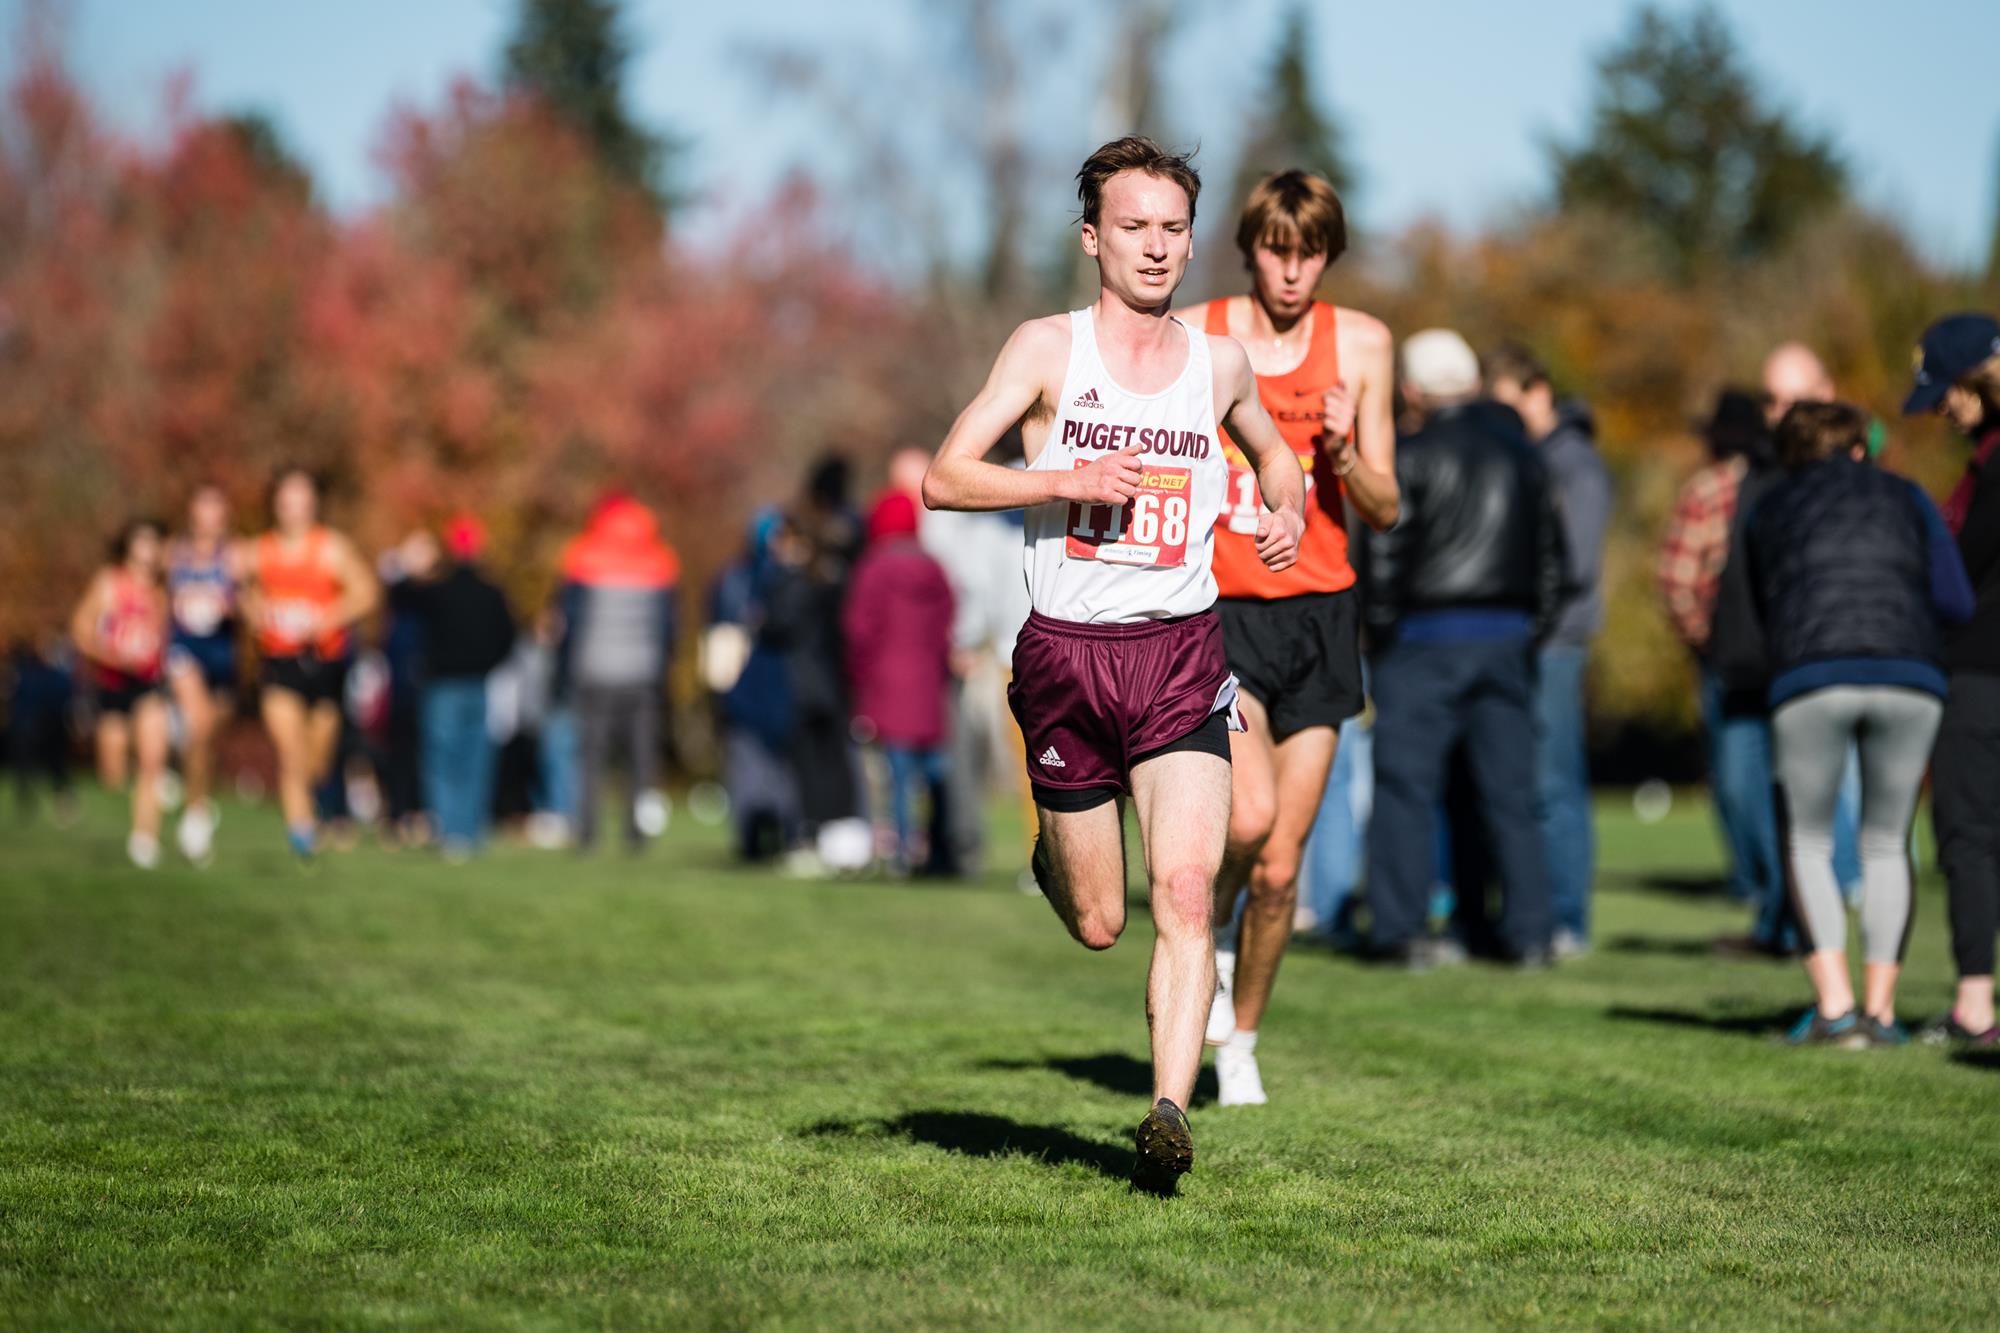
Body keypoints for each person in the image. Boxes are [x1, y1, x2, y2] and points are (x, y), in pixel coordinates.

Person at [921, 136, 1305, 1193]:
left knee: (1184, 889)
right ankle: (1052, 853)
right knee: (1098, 920)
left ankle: (1167, 1114)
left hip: (1180, 649)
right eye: (1131, 226)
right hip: (1066, 658)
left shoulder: (1217, 363)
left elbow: (1272, 452)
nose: (1153, 246)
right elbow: (946, 479)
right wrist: (1065, 473)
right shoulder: (1047, 349)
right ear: (1091, 236)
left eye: (1172, 228)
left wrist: (1281, 504)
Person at [1177, 169, 1398, 1106]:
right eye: (1277, 249)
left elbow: (1386, 509)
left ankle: (1243, 1041)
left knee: (1281, 866)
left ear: (1329, 256)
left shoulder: (1364, 343)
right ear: (1250, 248)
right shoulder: (1200, 330)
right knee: (1249, 816)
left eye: (1310, 253)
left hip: (1322, 614)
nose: (1293, 270)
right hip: (1224, 610)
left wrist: (1345, 454)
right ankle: (1201, 946)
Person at [1746, 401, 1971, 1045]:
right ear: (1859, 447)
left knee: (1809, 842)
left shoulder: (1771, 505)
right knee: (1886, 842)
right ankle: (1882, 1011)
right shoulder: (1908, 495)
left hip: (1810, 674)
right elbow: (1953, 597)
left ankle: (1836, 1009)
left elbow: (1754, 603)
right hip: (1910, 675)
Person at [1358, 330, 1565, 968]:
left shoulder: (1408, 454)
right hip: (1505, 636)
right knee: (1508, 793)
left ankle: (1399, 927)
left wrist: (1382, 632)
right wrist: (1530, 627)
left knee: (1405, 789)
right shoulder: (1525, 455)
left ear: (1411, 391)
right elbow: (1555, 560)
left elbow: (1385, 554)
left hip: (1424, 638)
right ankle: (1528, 932)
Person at [1487, 345, 1612, 959]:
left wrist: (1530, 617)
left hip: (1556, 642)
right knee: (1526, 781)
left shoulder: (1574, 464)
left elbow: (1577, 563)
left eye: (1508, 401)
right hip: (1529, 638)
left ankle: (1569, 918)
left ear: (1536, 392)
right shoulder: (1537, 459)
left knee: (1554, 782)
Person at [1659, 390, 1789, 952]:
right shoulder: (1787, 482)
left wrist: (1705, 638)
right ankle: (1779, 904)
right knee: (1779, 785)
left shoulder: (1708, 490)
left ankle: (1768, 899)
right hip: (1784, 653)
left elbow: (1677, 580)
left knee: (1739, 781)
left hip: (1731, 659)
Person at [1905, 312, 2000, 1046]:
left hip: (1979, 672)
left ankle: (1974, 1004)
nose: (1942, 409)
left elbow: (1959, 575)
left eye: (1948, 393)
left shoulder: (1994, 468)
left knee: (1968, 832)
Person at [241, 468, 379, 861]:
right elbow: (240, 591)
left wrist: (328, 618)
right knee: (291, 753)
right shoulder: (259, 551)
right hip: (279, 662)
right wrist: (255, 611)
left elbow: (366, 592)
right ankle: (302, 834)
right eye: (287, 498)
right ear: (275, 503)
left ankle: (309, 810)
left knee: (317, 762)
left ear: (314, 503)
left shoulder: (331, 548)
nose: (295, 507)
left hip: (325, 665)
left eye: (303, 498)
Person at [556, 493, 679, 853]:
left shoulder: (582, 556)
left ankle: (587, 829)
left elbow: (571, 621)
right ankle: (636, 830)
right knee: (640, 756)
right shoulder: (661, 561)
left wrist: (564, 671)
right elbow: (669, 627)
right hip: (643, 673)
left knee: (590, 755)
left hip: (593, 669)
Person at [392, 516, 517, 861]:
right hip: (478, 685)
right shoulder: (493, 593)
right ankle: (469, 833)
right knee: (475, 762)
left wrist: (405, 564)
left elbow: (398, 595)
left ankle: (450, 835)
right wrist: (487, 664)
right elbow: (509, 639)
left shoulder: (437, 590)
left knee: (442, 763)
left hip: (442, 688)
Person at [844, 490, 957, 874]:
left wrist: (859, 680)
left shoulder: (874, 569)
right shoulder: (936, 569)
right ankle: (940, 848)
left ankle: (902, 853)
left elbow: (859, 632)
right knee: (933, 776)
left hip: (887, 686)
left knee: (896, 776)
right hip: (928, 685)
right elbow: (946, 628)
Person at [69, 519, 173, 867]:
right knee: (112, 771)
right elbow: (81, 630)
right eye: (141, 541)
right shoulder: (109, 583)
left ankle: (145, 838)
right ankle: (137, 798)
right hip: (112, 682)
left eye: (154, 542)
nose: (148, 550)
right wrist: (113, 655)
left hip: (149, 684)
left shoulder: (163, 591)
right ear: (128, 546)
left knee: (152, 759)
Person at [163, 484, 242, 865]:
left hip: (222, 653)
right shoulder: (173, 554)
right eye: (203, 506)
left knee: (207, 738)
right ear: (192, 512)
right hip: (184, 649)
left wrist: (236, 606)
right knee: (199, 721)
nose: (210, 515)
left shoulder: (237, 557)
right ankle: (195, 814)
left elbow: (254, 601)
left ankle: (196, 797)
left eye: (217, 507)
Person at [6, 636, 77, 825]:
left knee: (56, 766)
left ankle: (62, 798)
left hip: (51, 726)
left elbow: (65, 699)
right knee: (25, 766)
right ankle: (26, 799)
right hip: (27, 726)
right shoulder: (23, 672)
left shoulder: (56, 675)